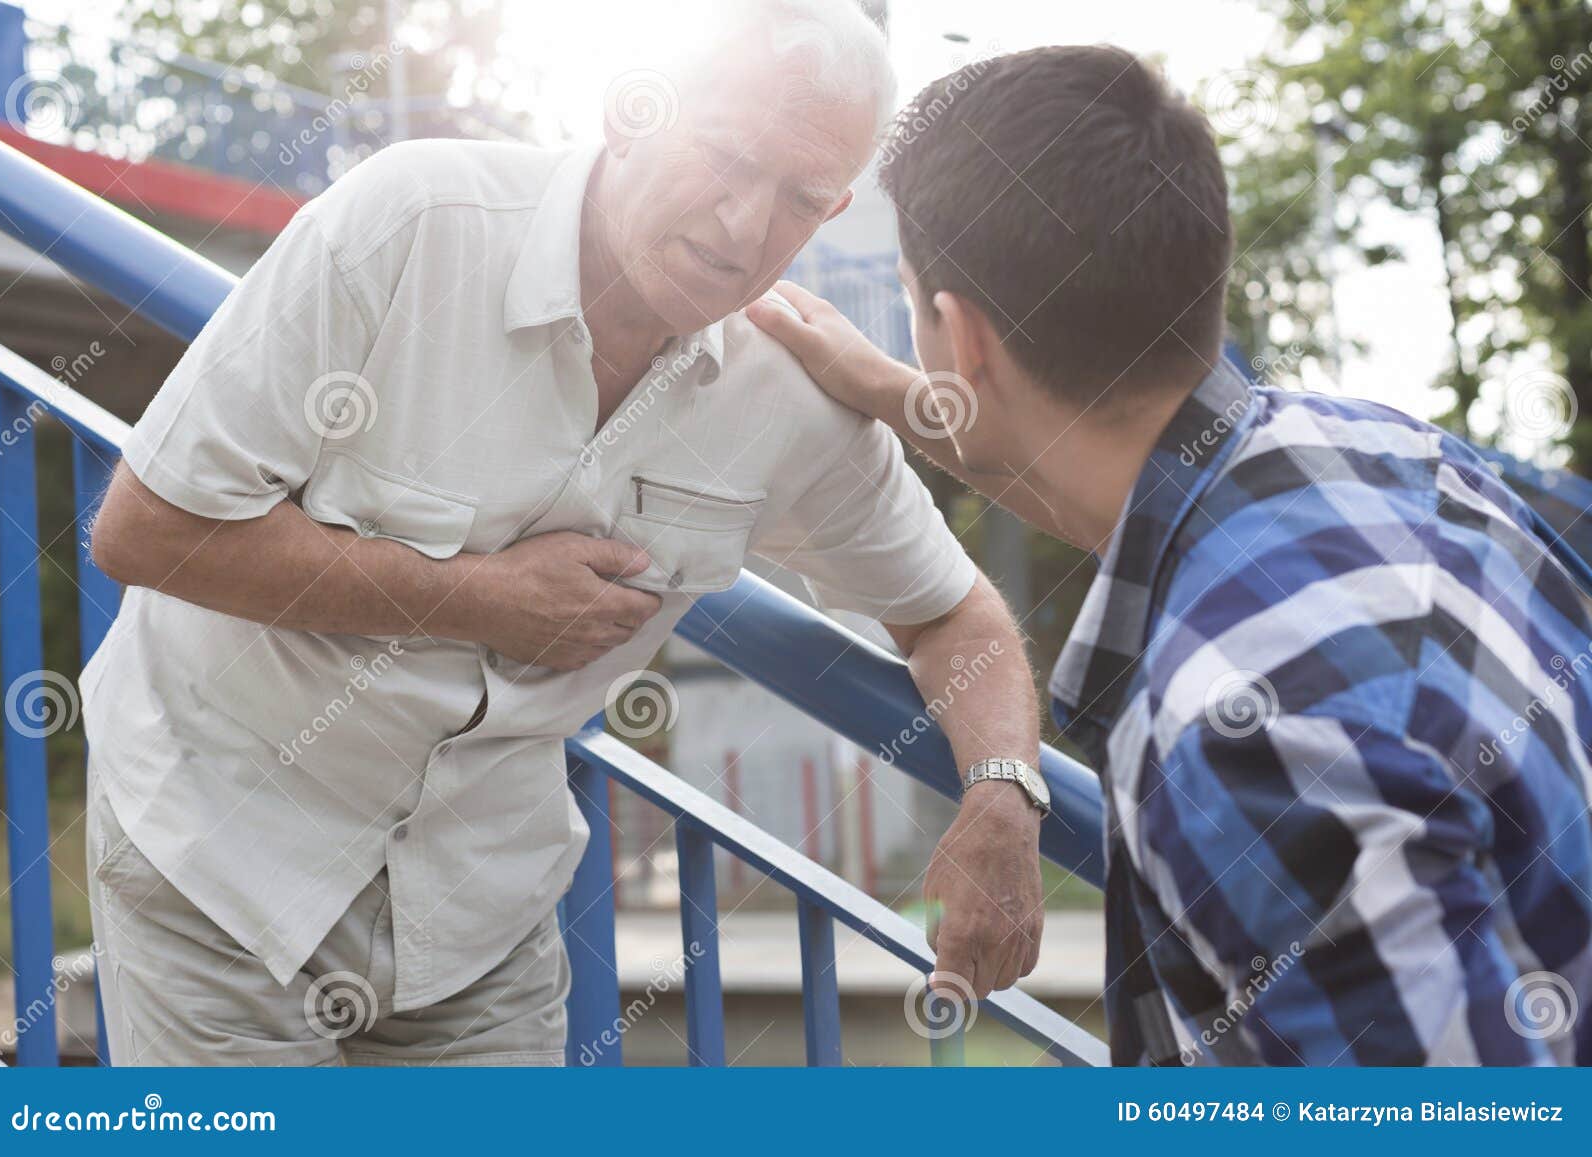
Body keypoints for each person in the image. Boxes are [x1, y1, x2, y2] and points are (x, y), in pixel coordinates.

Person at [81, 0, 1051, 1066]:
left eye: (799, 198)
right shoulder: (410, 221)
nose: (742, 226)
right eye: (726, 157)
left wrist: (1004, 795)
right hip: (219, 862)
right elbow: (147, 528)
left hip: (477, 924)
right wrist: (478, 596)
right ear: (630, 109)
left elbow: (954, 616)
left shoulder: (792, 391)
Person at [748, 43, 1592, 1065]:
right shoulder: (1392, 452)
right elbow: (1128, 492)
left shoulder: (1242, 737)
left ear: (959, 336)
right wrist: (899, 392)